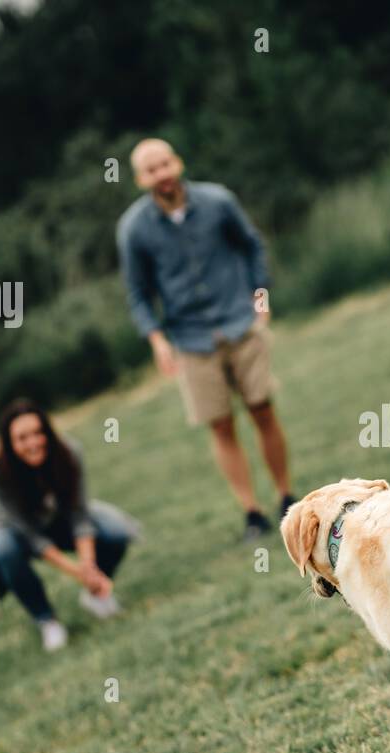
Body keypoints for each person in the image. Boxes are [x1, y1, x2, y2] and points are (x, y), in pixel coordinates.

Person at [116, 137, 295, 542]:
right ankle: (252, 511)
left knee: (263, 410)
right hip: (190, 338)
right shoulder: (133, 230)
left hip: (239, 322)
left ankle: (286, 495)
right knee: (220, 425)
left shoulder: (218, 201)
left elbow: (252, 246)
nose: (161, 174)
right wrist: (157, 341)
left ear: (177, 163)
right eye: (150, 169)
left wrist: (260, 296)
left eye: (165, 164)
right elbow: (138, 294)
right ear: (140, 179)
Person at [0, 399, 140, 651]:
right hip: (16, 531)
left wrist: (89, 567)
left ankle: (95, 597)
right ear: (9, 444)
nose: (32, 443)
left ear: (48, 432)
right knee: (4, 547)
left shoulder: (69, 452)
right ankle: (47, 621)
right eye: (22, 438)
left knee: (116, 531)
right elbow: (32, 538)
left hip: (58, 519)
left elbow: (79, 515)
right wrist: (77, 573)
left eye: (37, 433)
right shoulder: (0, 475)